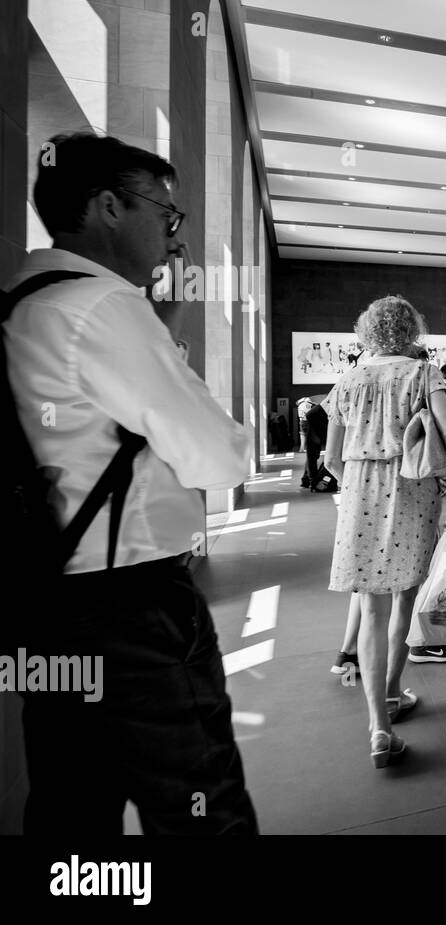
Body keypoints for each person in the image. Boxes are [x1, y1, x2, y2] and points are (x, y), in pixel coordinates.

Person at [6, 131, 256, 833]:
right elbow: (220, 458)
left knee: (70, 810)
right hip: (134, 611)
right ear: (110, 206)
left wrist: (161, 325)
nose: (171, 233)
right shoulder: (102, 307)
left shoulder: (25, 300)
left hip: (52, 604)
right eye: (166, 214)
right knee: (202, 805)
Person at [322, 295, 446, 768]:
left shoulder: (347, 380)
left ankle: (378, 728)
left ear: (367, 331)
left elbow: (330, 457)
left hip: (359, 492)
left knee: (370, 607)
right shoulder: (422, 373)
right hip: (410, 489)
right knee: (406, 595)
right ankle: (392, 691)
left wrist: (354, 481)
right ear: (413, 331)